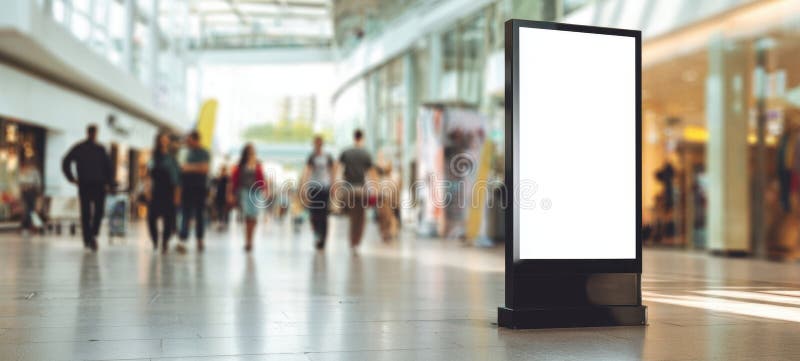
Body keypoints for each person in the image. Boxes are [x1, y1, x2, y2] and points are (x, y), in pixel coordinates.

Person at [62, 124, 113, 252]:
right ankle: (89, 238)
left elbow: (108, 167)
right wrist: (71, 178)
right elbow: (66, 161)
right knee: (86, 213)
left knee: (97, 212)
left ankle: (92, 235)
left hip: (97, 185)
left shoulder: (100, 149)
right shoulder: (82, 148)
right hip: (86, 184)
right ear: (90, 133)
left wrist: (108, 183)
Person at [335, 129, 377, 252]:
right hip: (361, 190)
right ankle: (356, 242)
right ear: (362, 138)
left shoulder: (346, 152)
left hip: (348, 189)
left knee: (352, 217)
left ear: (354, 137)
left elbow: (337, 168)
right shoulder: (366, 154)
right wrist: (375, 189)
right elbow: (372, 174)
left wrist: (335, 185)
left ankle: (352, 240)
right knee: (361, 218)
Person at [146, 132, 181, 253]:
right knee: (151, 217)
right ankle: (155, 240)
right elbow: (149, 176)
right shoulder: (154, 157)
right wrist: (148, 189)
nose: (164, 142)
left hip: (169, 190)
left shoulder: (172, 159)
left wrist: (177, 194)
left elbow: (176, 179)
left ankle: (165, 241)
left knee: (168, 218)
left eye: (166, 140)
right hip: (156, 190)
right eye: (162, 139)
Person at [177, 130, 210, 253]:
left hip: (200, 187)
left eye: (190, 140)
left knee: (200, 214)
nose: (188, 143)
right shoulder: (185, 152)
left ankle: (200, 238)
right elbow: (181, 167)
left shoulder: (204, 152)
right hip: (186, 187)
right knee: (185, 212)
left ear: (196, 140)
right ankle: (183, 237)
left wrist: (189, 168)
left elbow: (205, 168)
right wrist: (196, 167)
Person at [229, 143, 265, 252]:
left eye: (253, 150)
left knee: (254, 216)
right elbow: (235, 179)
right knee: (247, 215)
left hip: (256, 192)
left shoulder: (257, 164)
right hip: (245, 191)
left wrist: (265, 189)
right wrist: (232, 193)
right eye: (250, 150)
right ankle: (247, 241)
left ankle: (251, 239)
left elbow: (262, 178)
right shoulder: (241, 164)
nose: (252, 152)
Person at [301, 136, 334, 250]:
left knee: (324, 215)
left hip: (325, 187)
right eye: (316, 143)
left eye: (319, 143)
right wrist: (305, 187)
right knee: (314, 214)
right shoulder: (312, 157)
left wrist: (334, 186)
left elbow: (331, 171)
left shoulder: (328, 156)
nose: (317, 145)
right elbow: (308, 171)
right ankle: (317, 235)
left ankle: (323, 239)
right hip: (314, 188)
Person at [19, 158, 42, 233]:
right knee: (28, 208)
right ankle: (31, 225)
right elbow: (21, 181)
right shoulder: (24, 171)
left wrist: (38, 191)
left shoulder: (34, 171)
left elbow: (38, 182)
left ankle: (30, 225)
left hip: (31, 191)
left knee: (30, 209)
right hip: (25, 191)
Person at [212, 165, 230, 230]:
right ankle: (220, 221)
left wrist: (227, 195)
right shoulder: (218, 178)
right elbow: (215, 187)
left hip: (224, 194)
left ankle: (224, 221)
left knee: (224, 209)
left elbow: (228, 186)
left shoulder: (227, 178)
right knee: (219, 208)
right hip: (219, 195)